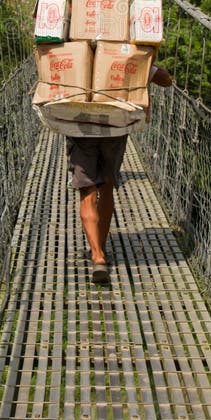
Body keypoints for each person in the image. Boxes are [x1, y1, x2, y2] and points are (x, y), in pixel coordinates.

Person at [66, 64, 172, 284]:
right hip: (115, 125)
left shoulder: (72, 44)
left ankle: (97, 257)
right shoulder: (124, 52)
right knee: (106, 184)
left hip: (79, 124)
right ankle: (101, 249)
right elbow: (165, 80)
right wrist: (149, 62)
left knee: (86, 190)